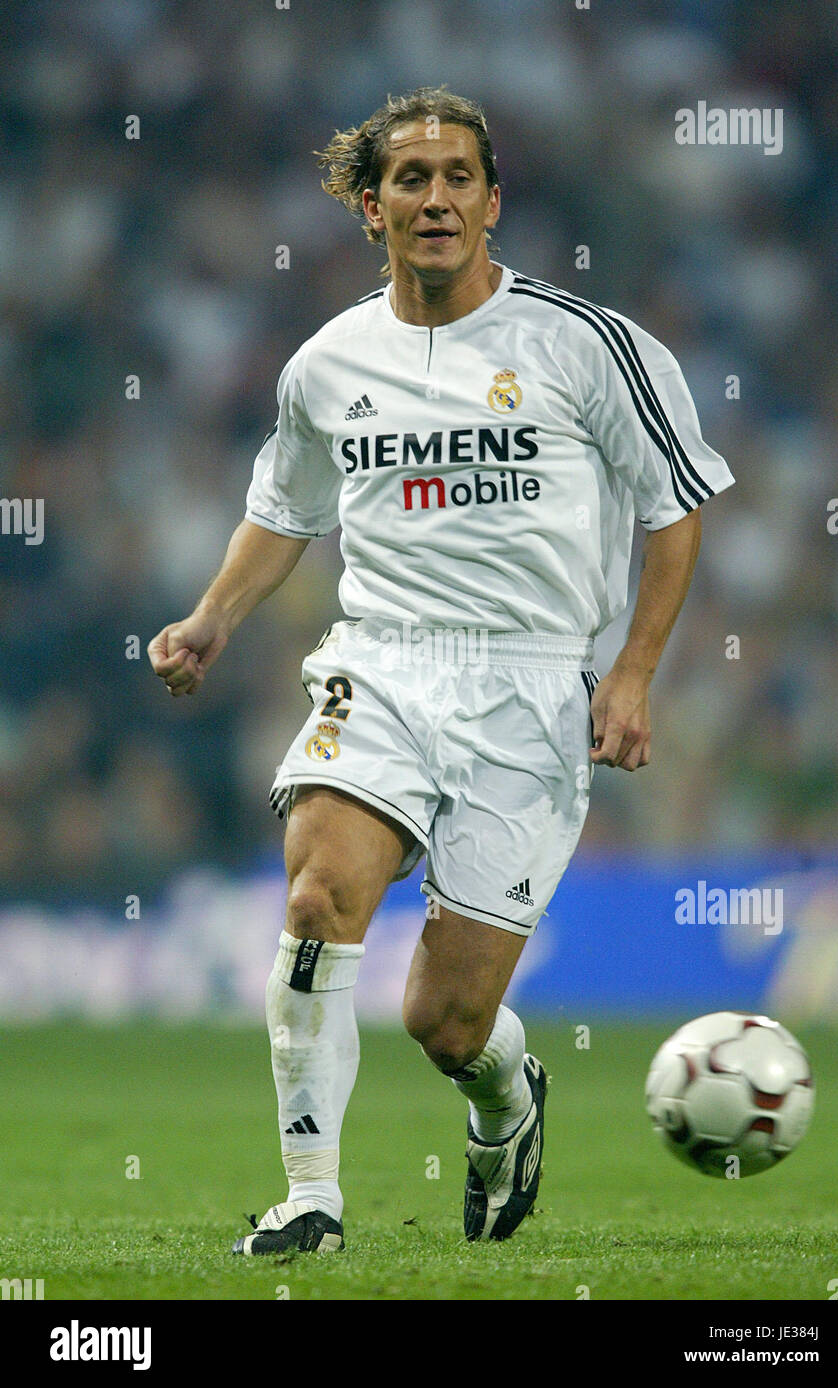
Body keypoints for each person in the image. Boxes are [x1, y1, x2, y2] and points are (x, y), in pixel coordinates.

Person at [148, 86, 734, 1253]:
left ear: (491, 201)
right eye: (410, 180)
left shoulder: (586, 346)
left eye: (457, 177)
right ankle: (312, 1195)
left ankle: (506, 1108)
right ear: (370, 210)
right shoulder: (327, 363)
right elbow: (286, 509)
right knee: (317, 898)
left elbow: (674, 511)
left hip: (529, 685)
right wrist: (214, 616)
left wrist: (632, 673)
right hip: (380, 661)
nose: (435, 198)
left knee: (448, 1022)